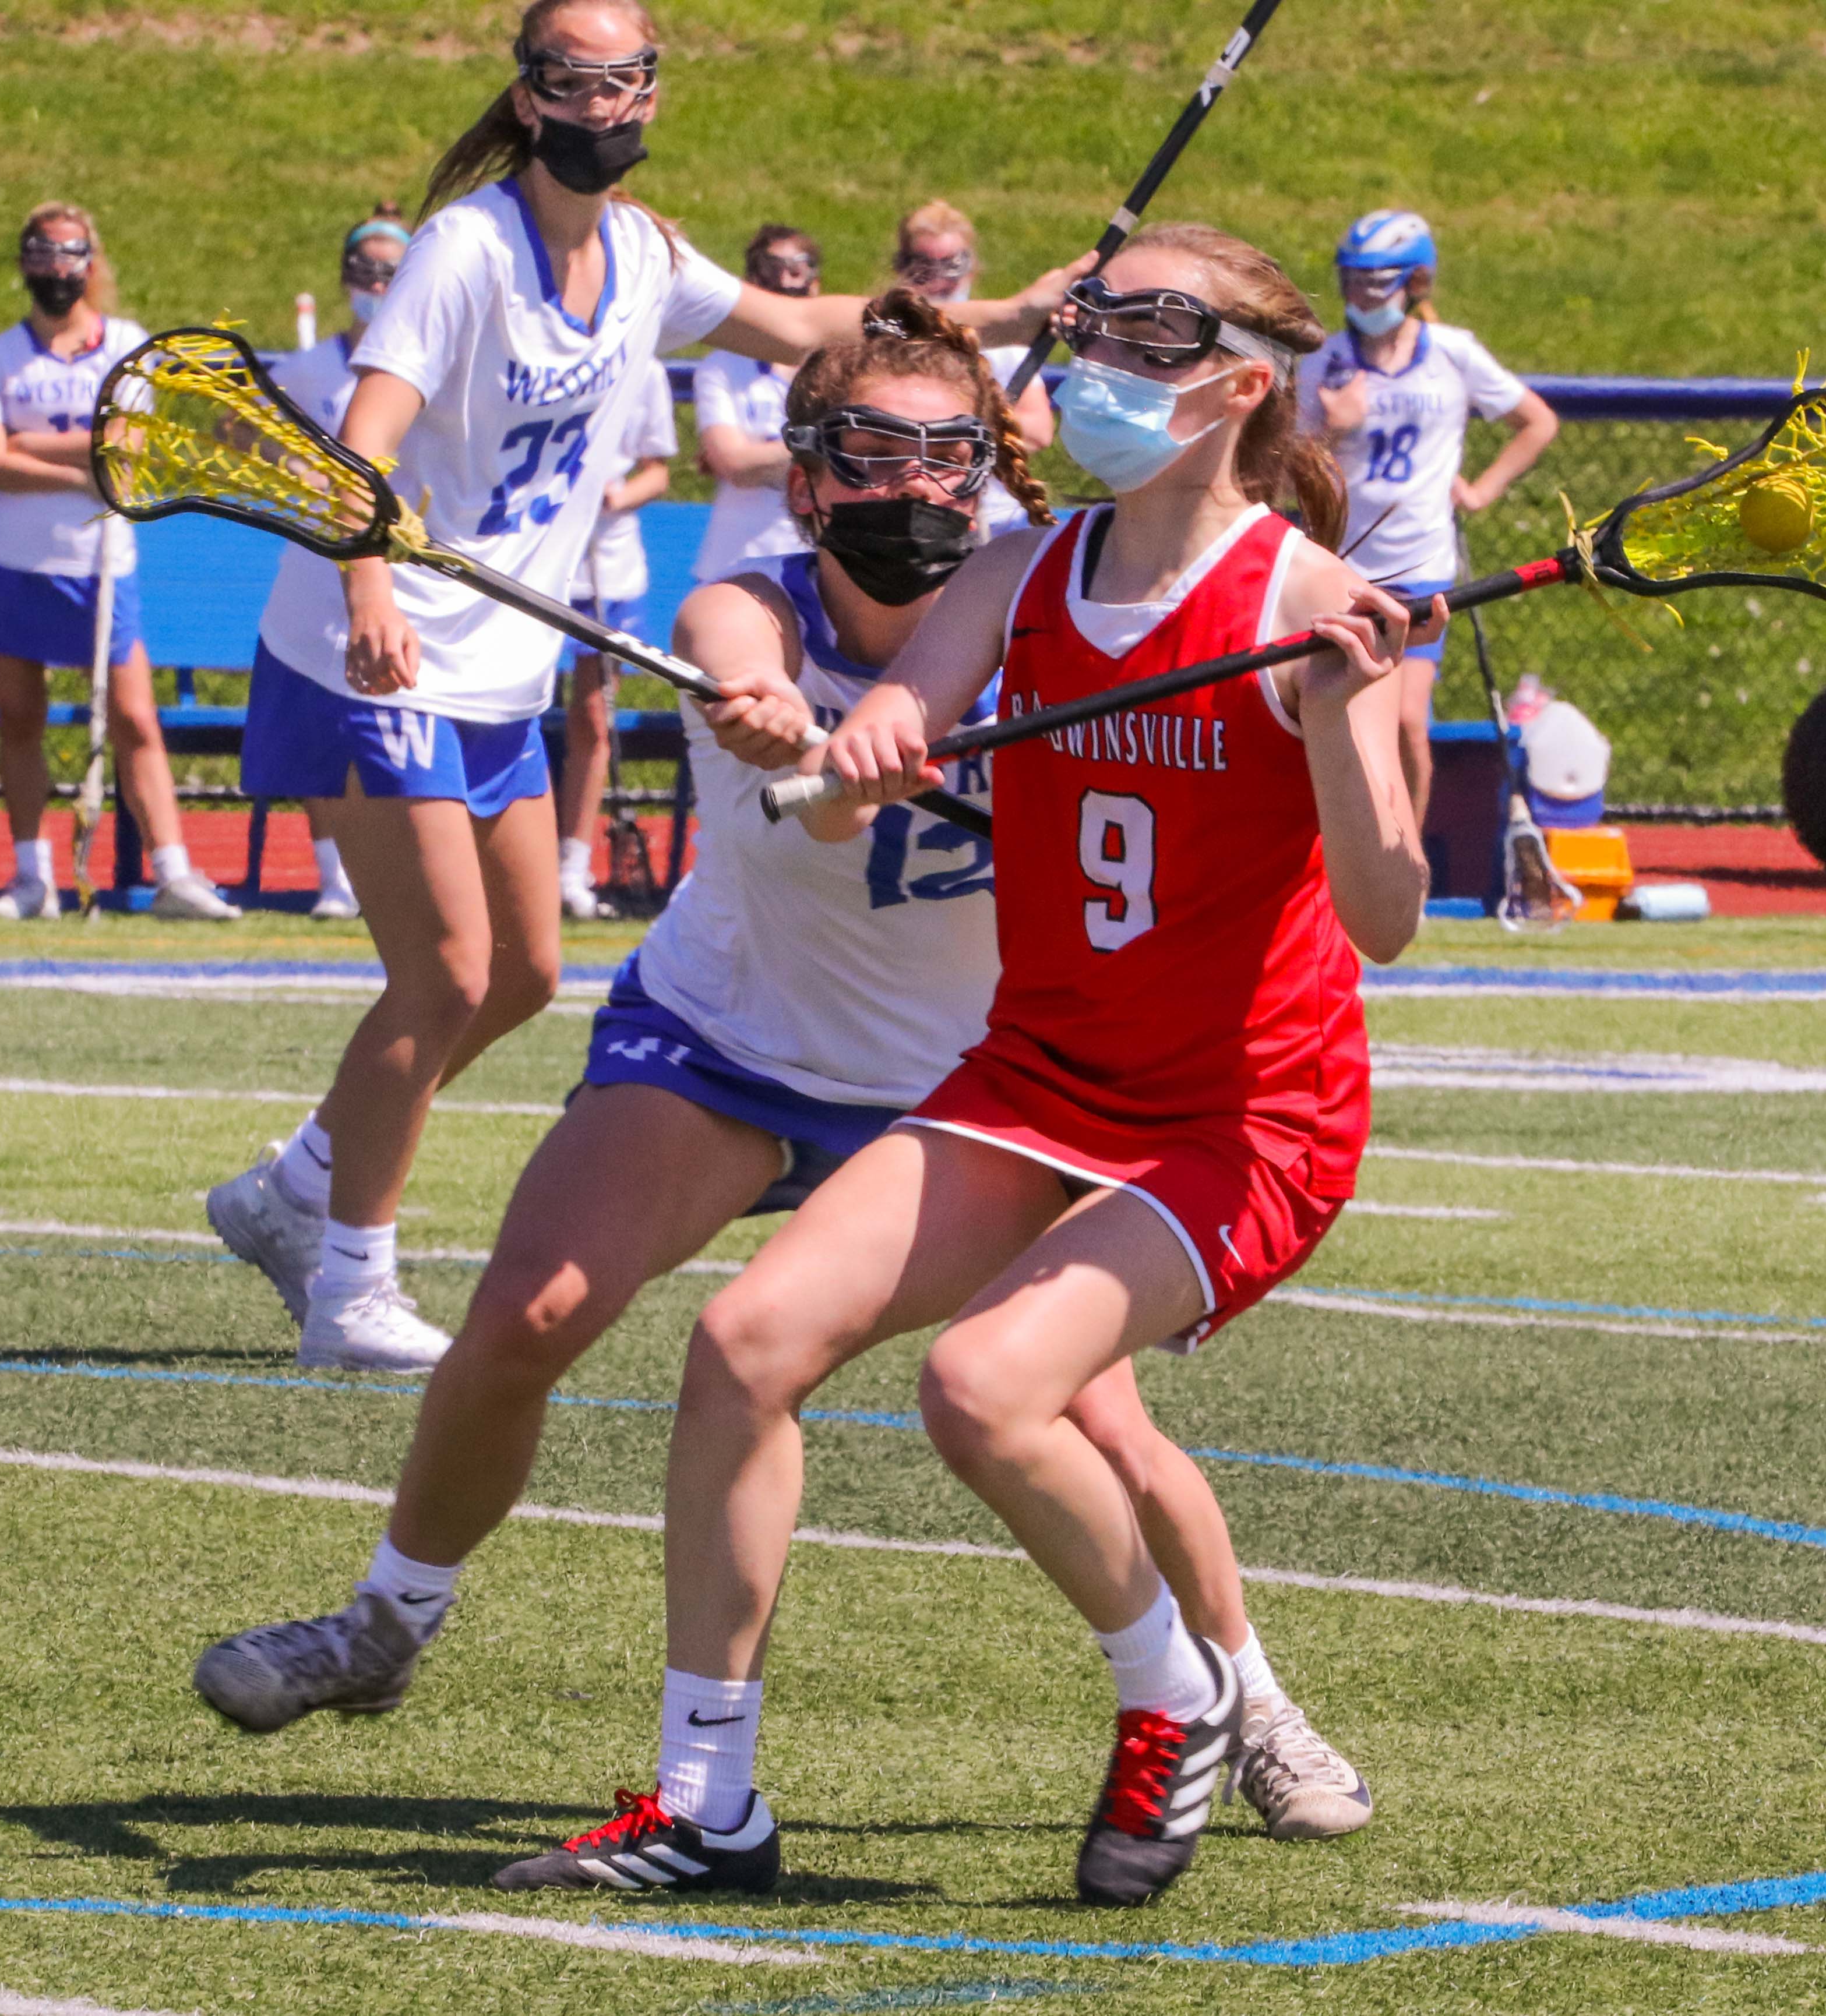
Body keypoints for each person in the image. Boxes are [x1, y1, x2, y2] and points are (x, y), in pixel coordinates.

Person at [191, 292, 1371, 1882]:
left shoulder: (1050, 602)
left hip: (963, 1074)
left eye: (942, 456)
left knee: (1081, 1406)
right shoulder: (742, 600)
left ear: (990, 469)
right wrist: (796, 730)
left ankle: (1249, 1699)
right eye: (865, 454)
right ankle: (391, 1617)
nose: (906, 487)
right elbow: (782, 726)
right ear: (807, 477)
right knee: (530, 1314)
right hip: (732, 1037)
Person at [627, 223, 1430, 1910]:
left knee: (981, 1386)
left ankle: (1177, 1688)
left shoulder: (1298, 598)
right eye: (1088, 325)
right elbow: (855, 790)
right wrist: (836, 740)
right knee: (740, 1342)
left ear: (1236, 386)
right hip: (1038, 1068)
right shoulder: (1015, 576)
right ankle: (706, 1797)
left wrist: (1344, 713)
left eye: (1147, 335)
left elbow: (1384, 917)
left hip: (1238, 1113)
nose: (1094, 363)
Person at [199, 0, 1083, 1377]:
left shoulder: (641, 255)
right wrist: (364, 582)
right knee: (444, 973)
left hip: (496, 659)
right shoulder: (465, 250)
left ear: (652, 94)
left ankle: (295, 1186)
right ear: (532, 91)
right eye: (575, 81)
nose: (605, 107)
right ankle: (347, 1279)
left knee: (525, 975)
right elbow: (358, 435)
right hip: (371, 642)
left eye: (628, 81)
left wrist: (1015, 312)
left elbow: (805, 322)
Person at [0, 204, 241, 922]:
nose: (56, 270)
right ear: (25, 264)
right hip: (12, 561)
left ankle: (174, 873)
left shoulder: (126, 346)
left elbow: (123, 446)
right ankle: (33, 878)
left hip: (101, 563)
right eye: (41, 254)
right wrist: (74, 465)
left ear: (89, 262)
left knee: (134, 717)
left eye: (68, 255)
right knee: (20, 718)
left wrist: (32, 443)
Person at [1299, 209, 1556, 824]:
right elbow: (1285, 471)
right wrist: (1331, 433)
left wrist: (1483, 489)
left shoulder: (1452, 353)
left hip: (1419, 566)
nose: (1362, 295)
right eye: (1352, 281)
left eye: (1376, 281)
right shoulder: (1320, 363)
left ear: (1414, 284)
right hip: (1340, 567)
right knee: (1338, 716)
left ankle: (1403, 860)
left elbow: (1535, 421)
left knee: (1409, 720)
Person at [265, 203, 414, 921]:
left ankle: (398, 870)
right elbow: (272, 457)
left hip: (400, 571)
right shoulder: (305, 368)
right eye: (364, 270)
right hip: (317, 564)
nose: (376, 284)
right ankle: (333, 877)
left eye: (391, 271)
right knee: (324, 722)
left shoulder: (430, 370)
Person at [556, 353, 675, 919]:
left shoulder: (644, 368)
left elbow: (656, 470)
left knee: (593, 717)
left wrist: (614, 497)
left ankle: (570, 870)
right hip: (531, 563)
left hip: (608, 567)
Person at [893, 201, 1056, 534]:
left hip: (994, 519)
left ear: (972, 269)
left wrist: (952, 428)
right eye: (924, 267)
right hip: (905, 512)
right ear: (901, 267)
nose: (939, 282)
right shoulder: (884, 345)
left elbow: (1039, 430)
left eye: (952, 265)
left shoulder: (1006, 347)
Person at [688, 224, 819, 584]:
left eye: (796, 275)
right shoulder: (721, 367)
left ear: (816, 286)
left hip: (818, 564)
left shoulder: (843, 373)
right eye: (769, 285)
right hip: (736, 564)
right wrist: (823, 450)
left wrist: (766, 457)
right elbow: (734, 464)